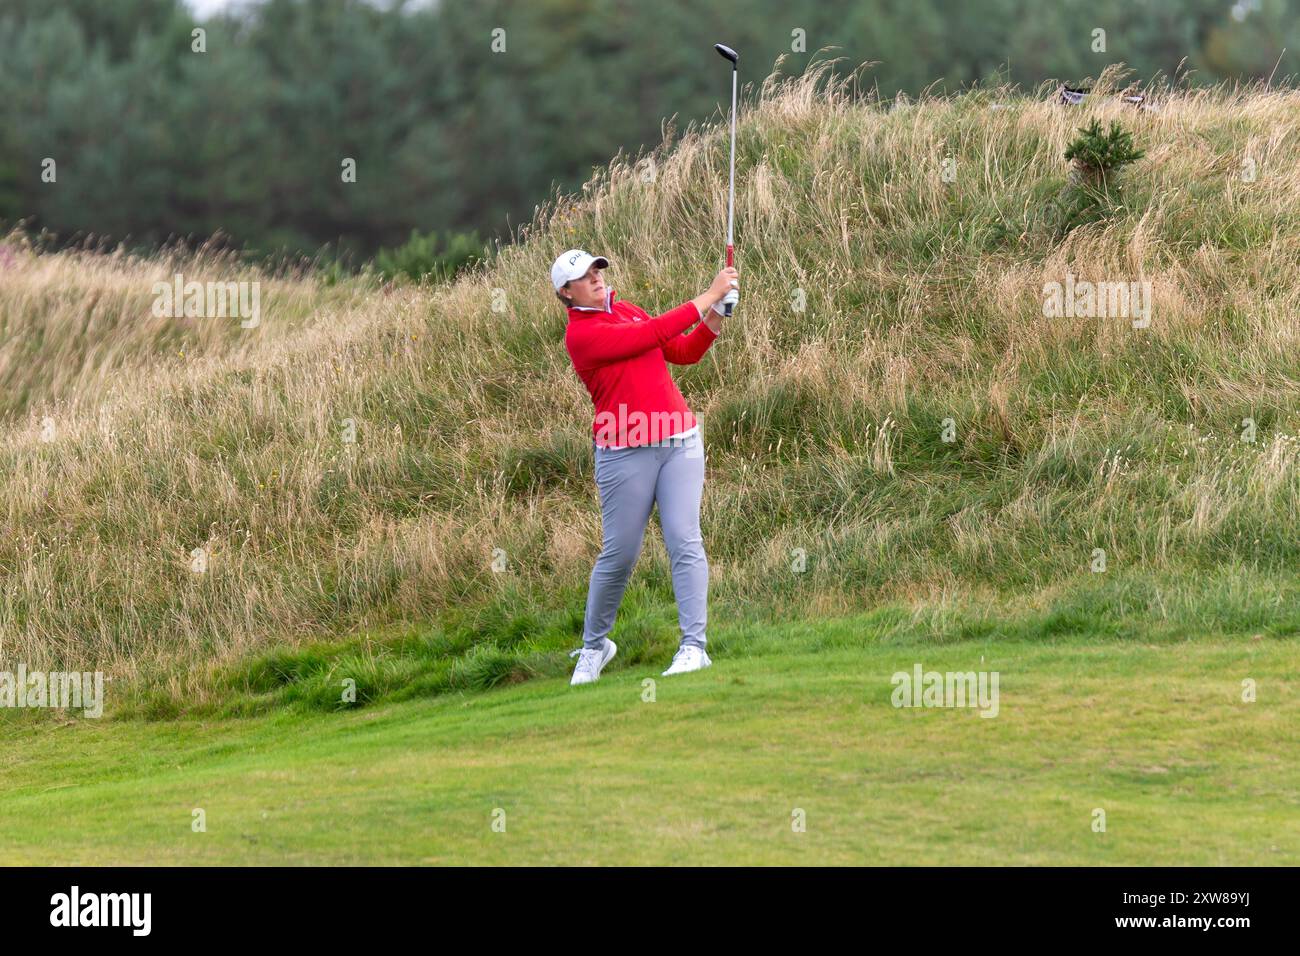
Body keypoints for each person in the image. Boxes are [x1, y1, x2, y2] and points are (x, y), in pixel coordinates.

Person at [552, 249, 739, 685]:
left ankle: (694, 647)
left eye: (598, 269)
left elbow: (684, 351)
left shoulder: (629, 310)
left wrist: (714, 316)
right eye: (585, 275)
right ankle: (595, 646)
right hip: (624, 451)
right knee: (620, 555)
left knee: (684, 539)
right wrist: (709, 293)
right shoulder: (581, 336)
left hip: (679, 440)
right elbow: (654, 333)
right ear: (566, 291)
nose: (596, 277)